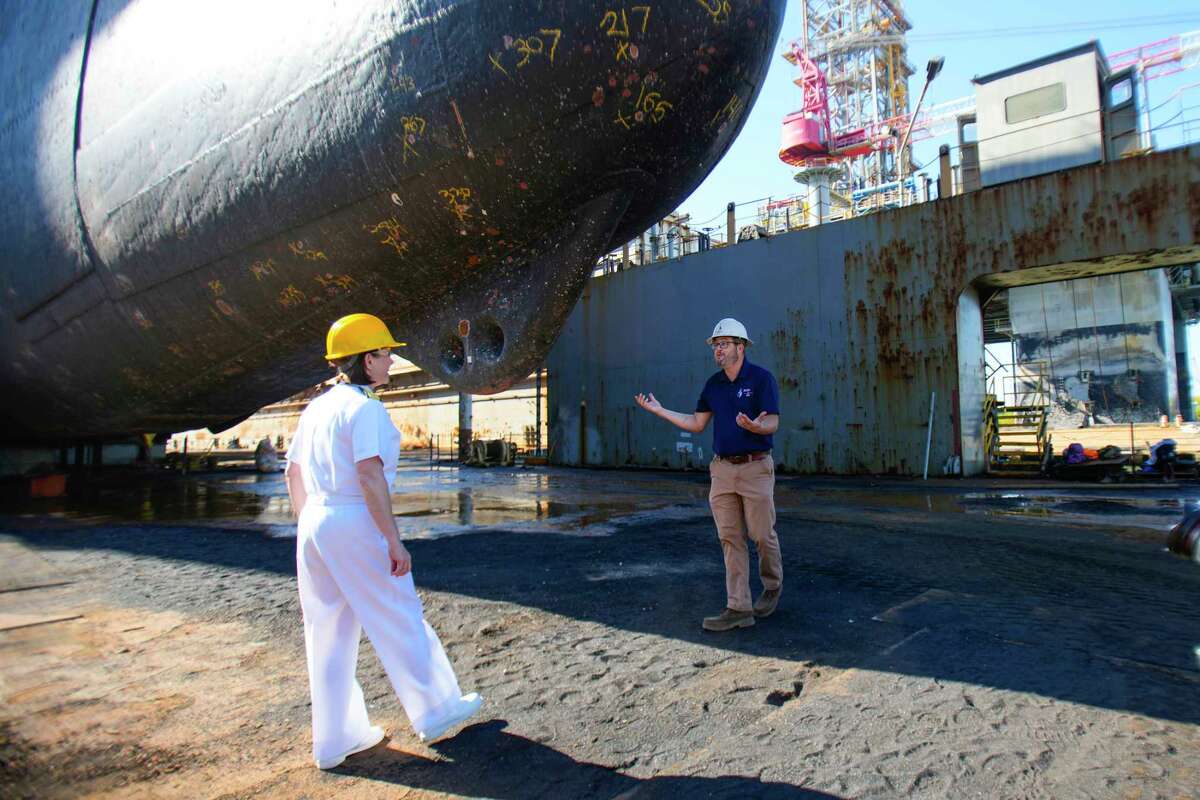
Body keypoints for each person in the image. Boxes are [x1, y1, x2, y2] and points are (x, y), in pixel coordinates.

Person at [285, 313, 482, 769]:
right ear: (365, 358)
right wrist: (394, 541)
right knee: (398, 613)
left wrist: (310, 525)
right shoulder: (365, 407)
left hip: (315, 520)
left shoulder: (316, 407)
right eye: (385, 352)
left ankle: (334, 741)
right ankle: (437, 709)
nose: (392, 360)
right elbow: (370, 474)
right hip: (353, 516)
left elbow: (292, 472)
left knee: (327, 635)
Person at [634, 318, 783, 632]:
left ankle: (772, 585)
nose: (718, 349)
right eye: (716, 345)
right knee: (730, 538)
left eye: (724, 344)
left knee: (761, 535)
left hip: (756, 467)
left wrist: (757, 427)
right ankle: (739, 607)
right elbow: (696, 422)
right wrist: (660, 411)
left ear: (740, 348)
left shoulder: (761, 379)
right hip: (723, 471)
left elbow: (772, 423)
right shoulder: (713, 385)